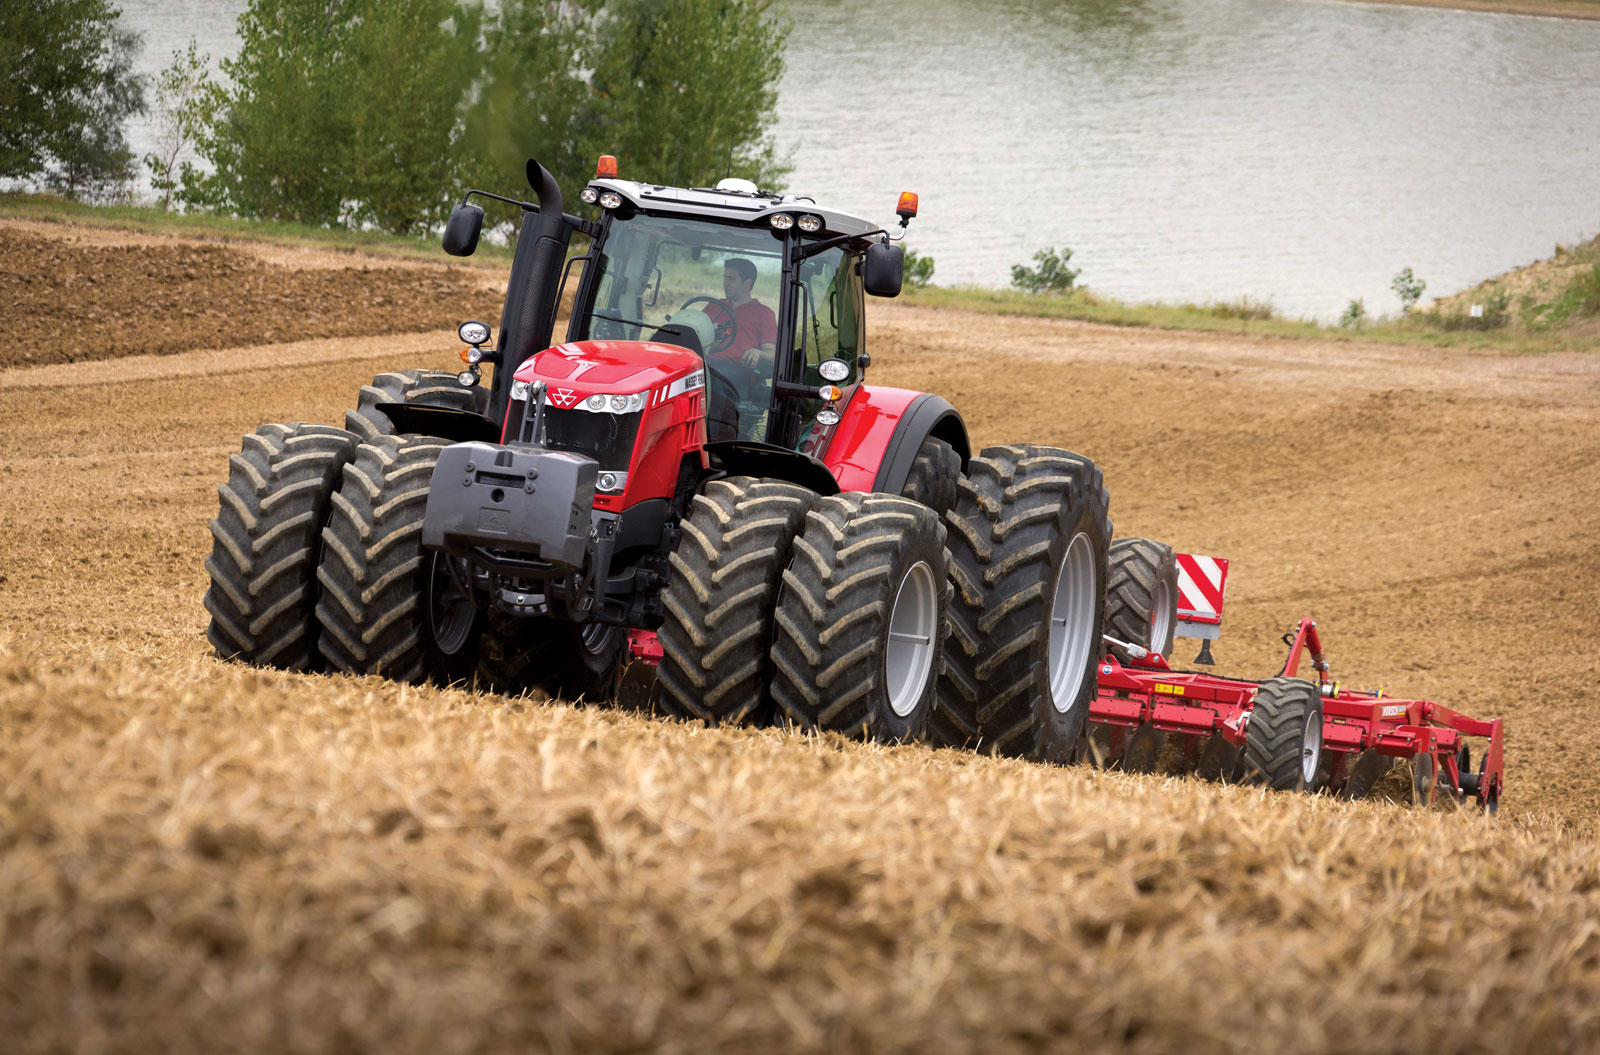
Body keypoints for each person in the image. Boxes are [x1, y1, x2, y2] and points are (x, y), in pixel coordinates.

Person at [716, 257, 776, 370]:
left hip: (737, 370)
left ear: (747, 283)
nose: (725, 283)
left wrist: (758, 353)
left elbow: (771, 353)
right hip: (705, 365)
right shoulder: (713, 306)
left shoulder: (764, 314)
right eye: (725, 278)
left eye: (731, 279)